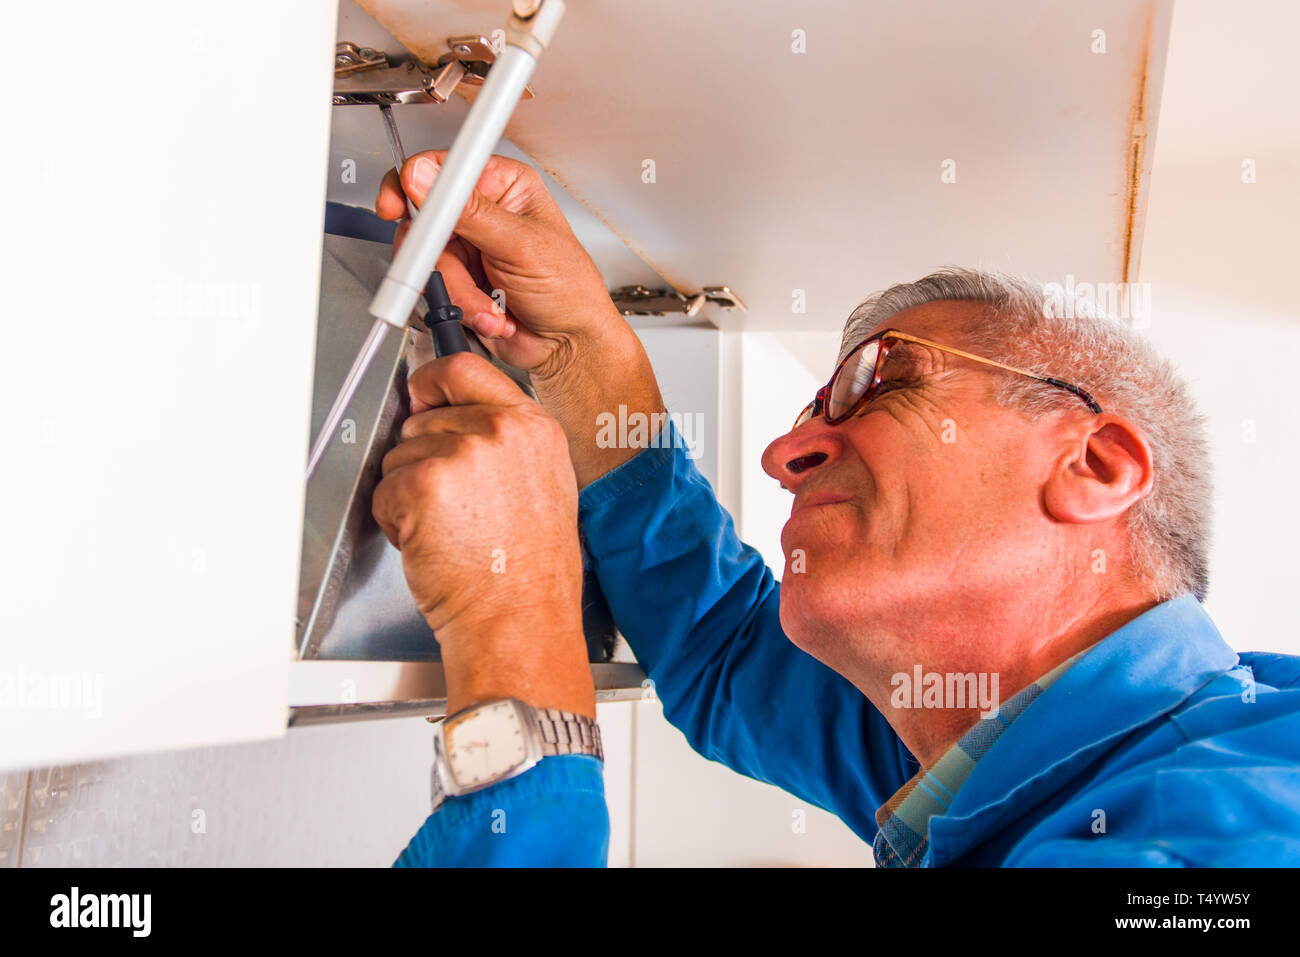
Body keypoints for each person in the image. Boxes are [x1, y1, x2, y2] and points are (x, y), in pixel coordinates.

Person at [372, 151, 1300, 867]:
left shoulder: (1229, 837)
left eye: (876, 381)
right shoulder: (996, 745)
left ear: (1096, 465)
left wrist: (514, 620)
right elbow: (727, 651)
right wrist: (581, 354)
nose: (785, 454)